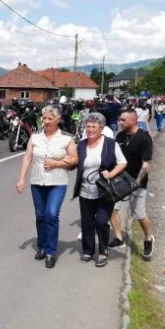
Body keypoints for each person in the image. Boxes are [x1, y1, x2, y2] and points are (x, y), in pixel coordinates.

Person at [16, 104, 78, 269]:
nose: (46, 121)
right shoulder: (35, 137)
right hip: (37, 181)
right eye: (44, 118)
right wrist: (21, 178)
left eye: (50, 118)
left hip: (58, 182)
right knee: (40, 216)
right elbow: (27, 157)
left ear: (58, 120)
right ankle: (42, 247)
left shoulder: (66, 138)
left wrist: (57, 163)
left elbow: (74, 159)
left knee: (51, 214)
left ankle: (51, 252)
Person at [72, 113, 128, 267]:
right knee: (87, 222)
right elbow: (73, 162)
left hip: (105, 191)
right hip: (85, 190)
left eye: (93, 127)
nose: (89, 129)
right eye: (88, 126)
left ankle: (103, 251)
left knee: (101, 221)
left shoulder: (110, 144)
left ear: (101, 128)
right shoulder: (81, 145)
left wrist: (111, 173)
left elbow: (122, 163)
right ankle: (88, 251)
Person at [109, 108, 155, 260]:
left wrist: (137, 183)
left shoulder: (144, 138)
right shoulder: (120, 136)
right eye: (120, 119)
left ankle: (148, 239)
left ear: (133, 120)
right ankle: (118, 237)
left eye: (123, 120)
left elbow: (146, 165)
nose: (120, 122)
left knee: (139, 214)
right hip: (120, 180)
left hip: (137, 182)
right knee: (112, 208)